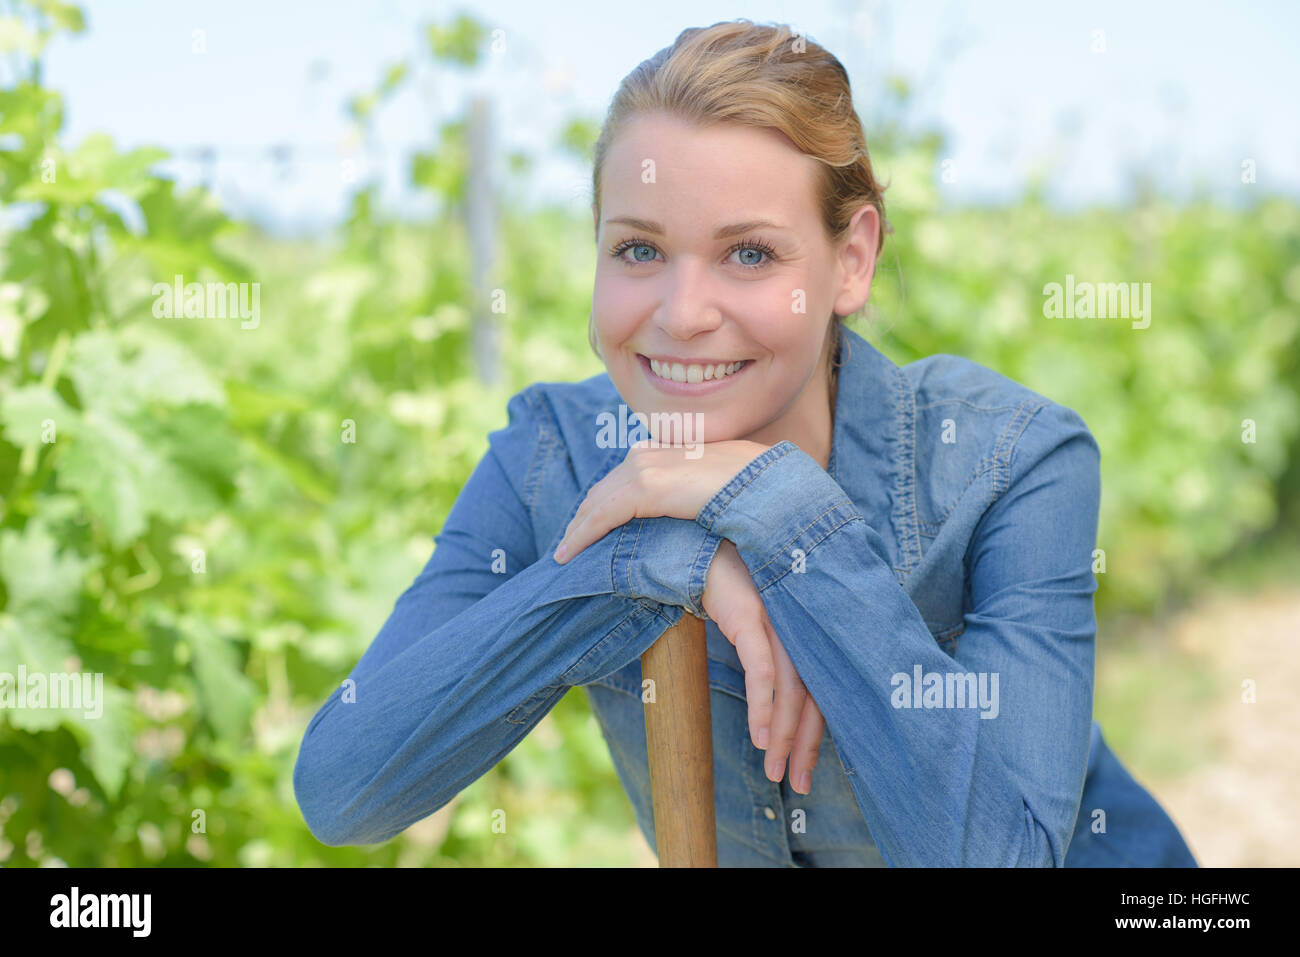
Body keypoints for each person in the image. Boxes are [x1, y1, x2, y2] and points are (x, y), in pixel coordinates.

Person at [293, 19, 1197, 867]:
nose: (683, 316)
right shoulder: (553, 455)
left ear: (852, 260)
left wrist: (782, 512)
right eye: (639, 251)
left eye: (751, 255)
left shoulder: (1011, 463)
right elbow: (345, 789)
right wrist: (641, 559)